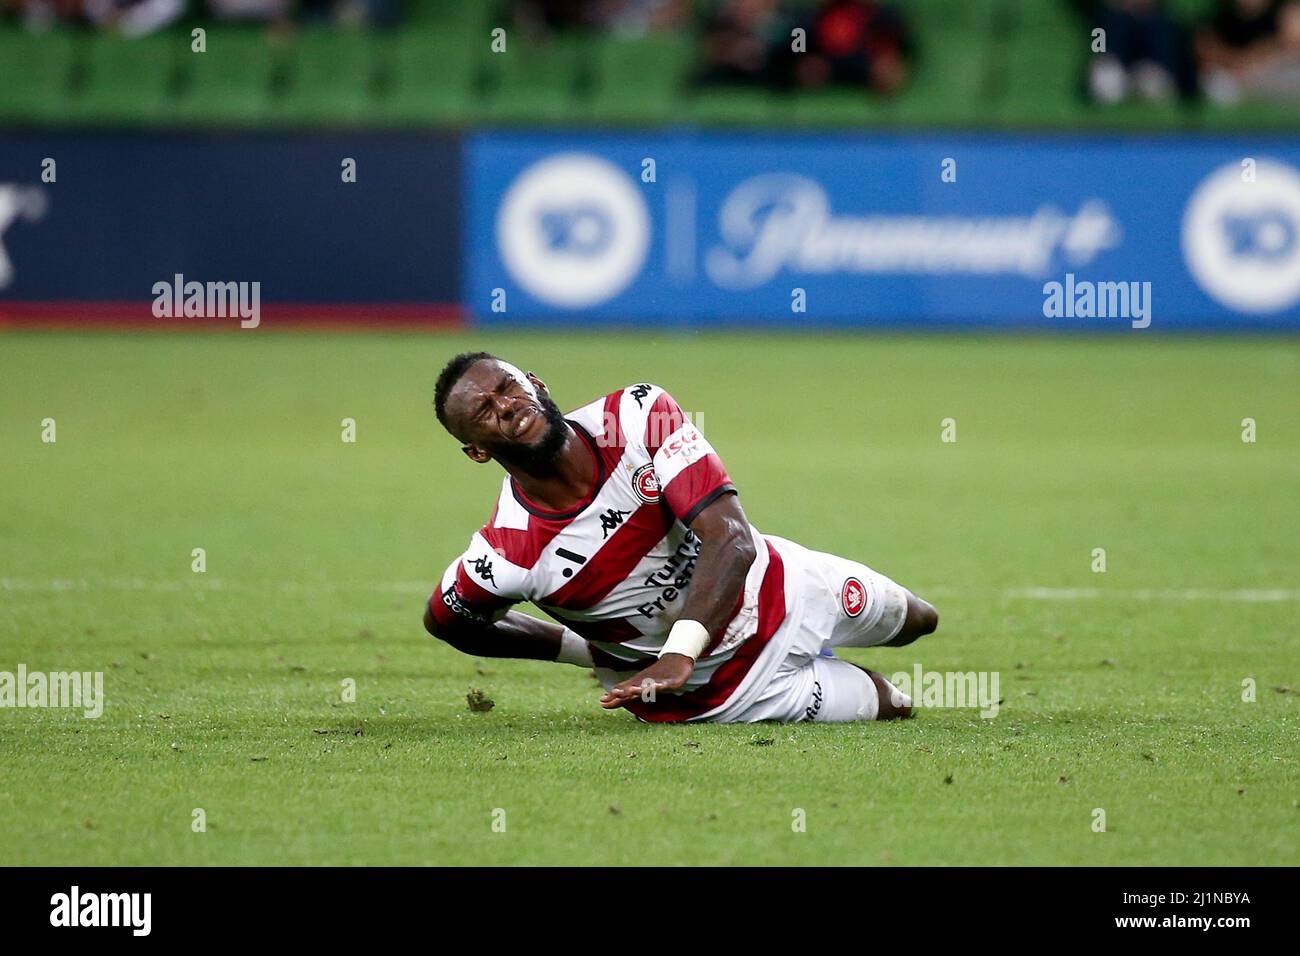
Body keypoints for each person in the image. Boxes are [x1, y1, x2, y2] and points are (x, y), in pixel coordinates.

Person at [422, 353, 939, 724]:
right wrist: (588, 652)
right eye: (485, 412)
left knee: (919, 619)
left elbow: (731, 538)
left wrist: (678, 651)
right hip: (724, 692)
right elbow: (448, 620)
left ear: (536, 383)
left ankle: (822, 646)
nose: (507, 407)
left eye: (508, 388)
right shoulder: (508, 555)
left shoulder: (638, 414)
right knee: (898, 704)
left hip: (783, 585)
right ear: (477, 451)